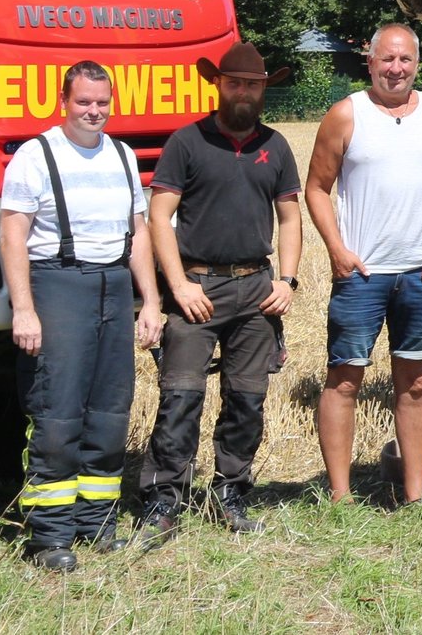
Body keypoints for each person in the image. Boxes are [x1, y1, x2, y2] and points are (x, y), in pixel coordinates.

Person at [136, 43, 301, 547]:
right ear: (218, 84)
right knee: (181, 397)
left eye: (252, 84)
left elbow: (291, 218)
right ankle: (164, 499)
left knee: (247, 400)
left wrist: (287, 281)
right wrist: (179, 285)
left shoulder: (276, 145)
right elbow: (158, 217)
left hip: (257, 289)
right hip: (197, 288)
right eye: (235, 83)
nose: (243, 91)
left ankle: (231, 494)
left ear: (263, 89)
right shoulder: (187, 142)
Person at [0, 61, 162, 571]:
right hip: (57, 284)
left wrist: (151, 301)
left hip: (112, 287)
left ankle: (97, 522)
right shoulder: (36, 155)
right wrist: (23, 309)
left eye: (101, 102)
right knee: (56, 413)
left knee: (111, 412)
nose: (93, 111)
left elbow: (138, 232)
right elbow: (12, 235)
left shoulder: (119, 155)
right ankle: (49, 535)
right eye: (83, 102)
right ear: (63, 102)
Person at [306, 24, 422, 504]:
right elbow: (316, 187)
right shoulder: (346, 114)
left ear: (418, 64)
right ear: (370, 62)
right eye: (386, 60)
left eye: (405, 60)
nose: (396, 69)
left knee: (416, 383)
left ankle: (415, 496)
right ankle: (340, 495)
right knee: (344, 377)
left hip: (421, 274)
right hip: (363, 275)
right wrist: (337, 249)